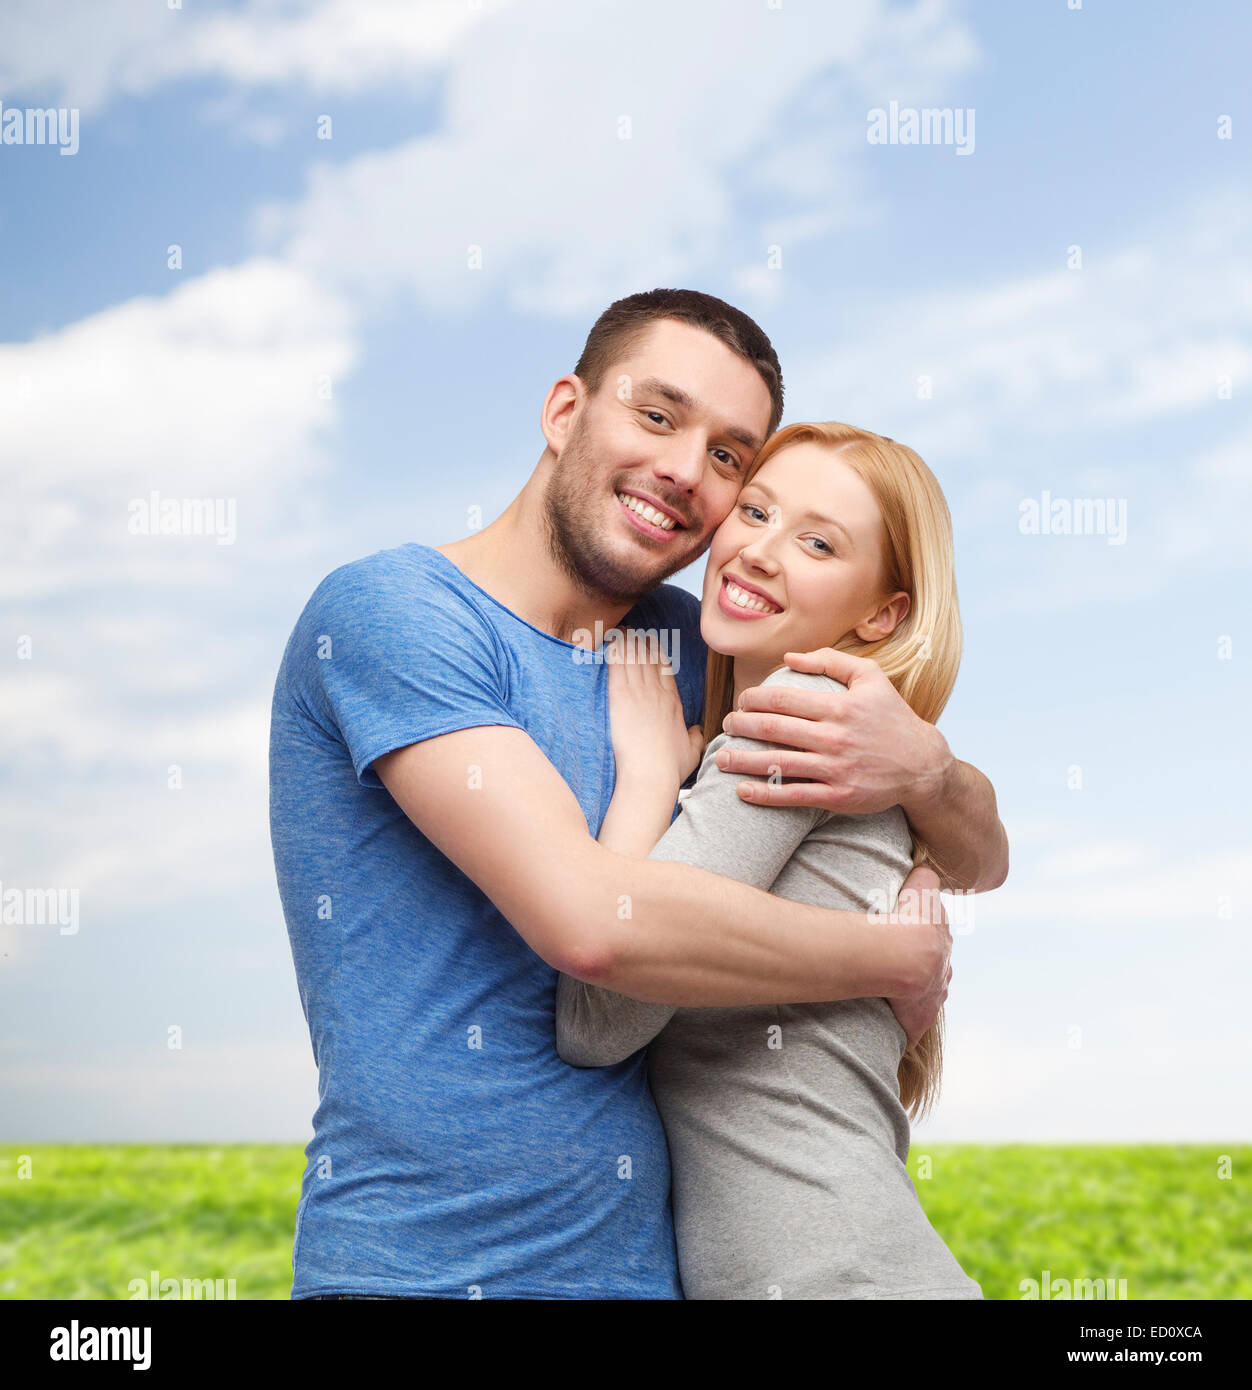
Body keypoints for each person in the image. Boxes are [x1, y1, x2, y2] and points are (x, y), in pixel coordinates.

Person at [269, 288, 1008, 1299]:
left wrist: (928, 770)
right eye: (657, 417)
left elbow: (977, 855)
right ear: (565, 410)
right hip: (428, 1264)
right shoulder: (397, 612)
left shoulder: (697, 642)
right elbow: (594, 928)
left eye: (726, 458)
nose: (681, 470)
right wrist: (889, 956)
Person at [556, 421, 984, 1299]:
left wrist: (643, 776)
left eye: (819, 543)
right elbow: (983, 854)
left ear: (882, 613)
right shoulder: (826, 734)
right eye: (755, 511)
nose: (759, 551)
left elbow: (597, 1020)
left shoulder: (799, 718)